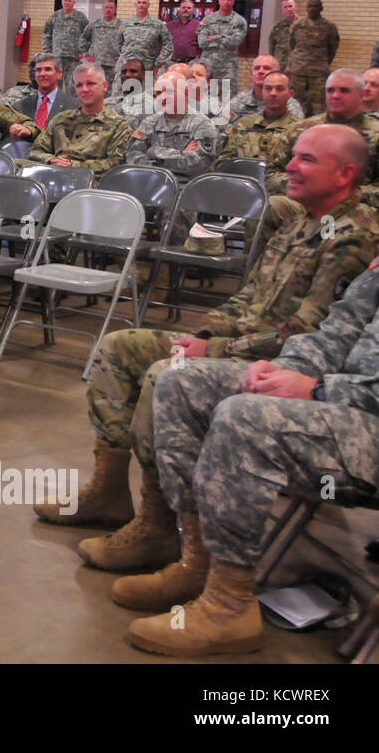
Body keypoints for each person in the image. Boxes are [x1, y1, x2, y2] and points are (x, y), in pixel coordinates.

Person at [36, 125, 377, 579]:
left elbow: (306, 332)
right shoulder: (299, 223)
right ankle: (110, 491)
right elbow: (245, 299)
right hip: (238, 343)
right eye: (294, 156)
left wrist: (212, 348)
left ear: (345, 174)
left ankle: (159, 527)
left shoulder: (352, 238)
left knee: (165, 373)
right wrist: (200, 333)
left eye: (307, 160)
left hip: (276, 361)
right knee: (120, 347)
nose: (290, 167)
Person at [129, 267, 379, 656]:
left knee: (244, 418)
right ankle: (198, 565)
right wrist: (287, 367)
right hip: (347, 407)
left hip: (367, 418)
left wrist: (320, 389)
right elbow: (334, 336)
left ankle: (229, 605)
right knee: (181, 381)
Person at [267, 69, 379, 209]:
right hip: (303, 205)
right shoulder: (302, 130)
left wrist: (345, 193)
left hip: (355, 208)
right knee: (272, 206)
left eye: (344, 91)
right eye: (330, 90)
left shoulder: (376, 134)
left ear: (361, 94)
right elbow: (270, 173)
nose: (335, 96)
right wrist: (308, 187)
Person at [25, 62, 131, 181]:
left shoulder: (119, 126)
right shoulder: (60, 120)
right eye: (79, 85)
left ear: (105, 86)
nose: (84, 89)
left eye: (90, 83)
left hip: (88, 186)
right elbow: (35, 150)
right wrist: (51, 160)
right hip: (52, 179)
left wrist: (73, 166)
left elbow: (116, 164)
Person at [125, 71, 219, 179]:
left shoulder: (203, 126)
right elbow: (132, 155)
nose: (162, 97)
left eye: (168, 91)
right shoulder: (149, 122)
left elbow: (197, 164)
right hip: (149, 181)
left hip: (185, 187)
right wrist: (180, 155)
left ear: (186, 93)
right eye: (158, 93)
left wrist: (152, 151)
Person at [213, 70, 301, 170]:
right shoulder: (243, 125)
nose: (273, 93)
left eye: (279, 89)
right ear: (262, 92)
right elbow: (223, 163)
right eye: (268, 88)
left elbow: (301, 170)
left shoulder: (300, 130)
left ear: (290, 94)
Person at [217, 53, 304, 130]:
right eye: (257, 68)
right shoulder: (240, 101)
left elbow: (296, 133)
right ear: (251, 73)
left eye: (266, 68)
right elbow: (221, 127)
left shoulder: (289, 104)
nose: (260, 71)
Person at [287, 0, 340, 118]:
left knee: (318, 105)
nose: (312, 9)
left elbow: (332, 48)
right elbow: (291, 45)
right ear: (306, 8)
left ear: (321, 9)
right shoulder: (298, 25)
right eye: (310, 6)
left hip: (318, 73)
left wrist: (322, 62)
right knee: (296, 103)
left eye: (315, 6)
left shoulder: (329, 26)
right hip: (298, 71)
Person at [113, 0, 172, 91]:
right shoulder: (126, 23)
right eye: (139, 2)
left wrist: (158, 64)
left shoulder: (158, 24)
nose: (141, 5)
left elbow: (168, 44)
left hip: (147, 68)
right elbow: (119, 42)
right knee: (119, 95)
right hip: (125, 68)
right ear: (135, 4)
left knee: (146, 99)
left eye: (144, 3)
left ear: (148, 5)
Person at [196, 0, 248, 96]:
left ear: (233, 2)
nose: (226, 2)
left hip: (228, 67)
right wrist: (225, 40)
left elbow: (235, 42)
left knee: (227, 99)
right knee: (206, 98)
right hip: (208, 66)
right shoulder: (208, 19)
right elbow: (202, 42)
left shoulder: (239, 21)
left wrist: (214, 37)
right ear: (219, 1)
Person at [13, 53, 75, 135]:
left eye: (48, 69)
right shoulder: (20, 107)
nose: (42, 74)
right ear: (35, 75)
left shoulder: (73, 106)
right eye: (38, 70)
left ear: (59, 74)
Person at [42, 0, 89, 94]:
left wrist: (83, 52)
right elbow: (46, 34)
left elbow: (88, 35)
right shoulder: (54, 17)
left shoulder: (81, 18)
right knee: (55, 83)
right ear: (62, 2)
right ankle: (55, 106)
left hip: (74, 58)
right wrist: (48, 51)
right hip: (57, 56)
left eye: (69, 1)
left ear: (74, 3)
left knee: (72, 85)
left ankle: (69, 106)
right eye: (65, 0)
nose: (67, 3)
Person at [80, 0, 124, 76]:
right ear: (103, 9)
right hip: (97, 64)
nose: (108, 10)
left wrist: (122, 57)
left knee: (113, 87)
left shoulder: (121, 25)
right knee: (96, 86)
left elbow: (127, 42)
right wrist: (86, 54)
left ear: (115, 10)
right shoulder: (95, 24)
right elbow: (83, 37)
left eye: (111, 8)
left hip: (114, 64)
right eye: (106, 7)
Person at [108, 56, 150, 127]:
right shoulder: (107, 104)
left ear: (144, 75)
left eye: (133, 71)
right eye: (123, 72)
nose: (127, 75)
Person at [165, 0, 200, 64]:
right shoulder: (169, 25)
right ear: (180, 10)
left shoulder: (199, 25)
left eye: (189, 8)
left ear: (193, 10)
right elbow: (162, 43)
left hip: (191, 63)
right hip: (171, 63)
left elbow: (203, 45)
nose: (186, 9)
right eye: (183, 7)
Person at [268, 0, 297, 71]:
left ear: (295, 7)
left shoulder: (303, 25)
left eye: (290, 6)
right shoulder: (277, 26)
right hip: (280, 66)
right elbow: (272, 46)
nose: (288, 9)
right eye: (285, 7)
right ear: (282, 10)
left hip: (297, 67)